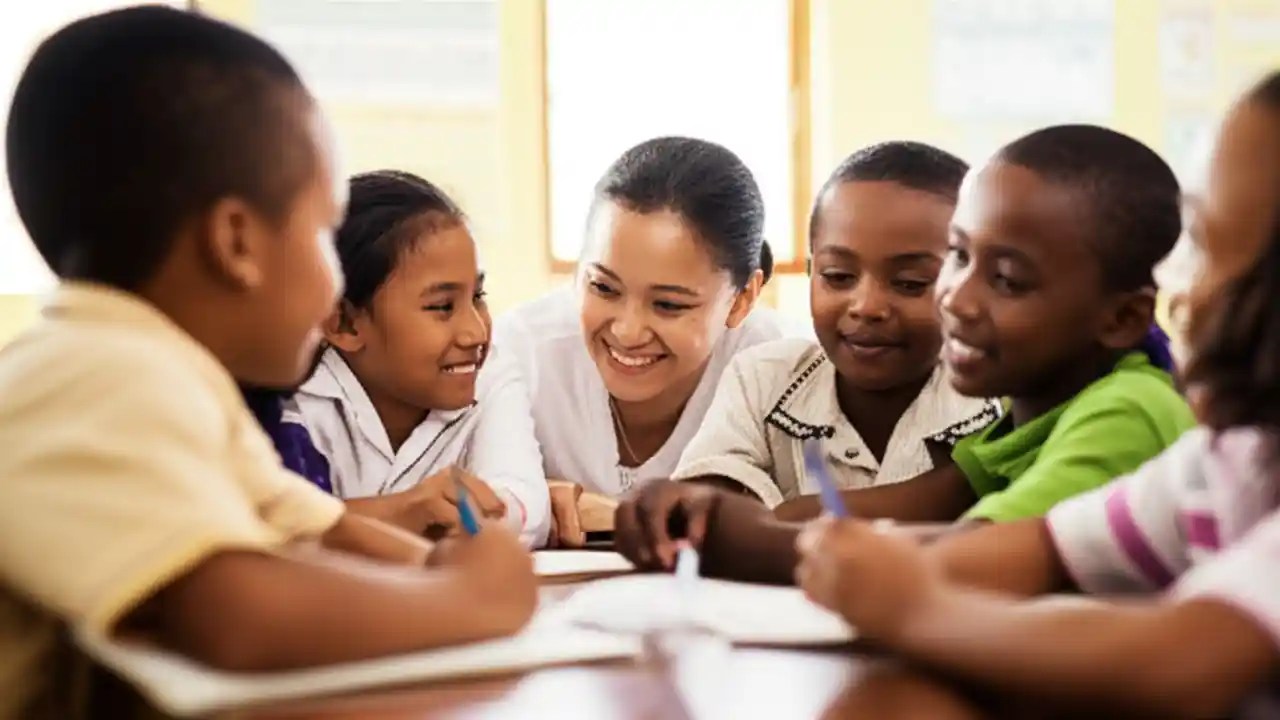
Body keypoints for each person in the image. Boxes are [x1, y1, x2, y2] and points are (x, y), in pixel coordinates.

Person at [0, 9, 534, 717]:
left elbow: (317, 532)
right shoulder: (95, 372)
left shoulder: (176, 380)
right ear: (237, 244)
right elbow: (233, 616)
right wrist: (469, 600)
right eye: (322, 232)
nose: (336, 284)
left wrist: (443, 567)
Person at [795, 72, 1280, 719]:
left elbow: (1183, 664)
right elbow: (1041, 549)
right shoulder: (1228, 465)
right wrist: (876, 571)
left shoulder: (1131, 407)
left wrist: (916, 607)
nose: (1183, 293)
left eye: (1206, 249)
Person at [617, 125, 1193, 576]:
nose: (957, 298)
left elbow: (971, 561)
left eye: (1007, 280)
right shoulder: (1030, 419)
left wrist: (754, 539)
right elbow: (923, 503)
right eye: (960, 259)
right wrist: (716, 513)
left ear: (1121, 318)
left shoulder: (1130, 411)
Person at [665, 142, 999, 515]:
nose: (866, 306)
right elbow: (709, 502)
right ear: (812, 273)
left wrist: (791, 517)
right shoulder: (763, 379)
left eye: (910, 283)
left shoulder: (999, 404)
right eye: (838, 276)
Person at [494, 136, 785, 546]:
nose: (627, 332)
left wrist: (615, 516)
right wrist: (527, 502)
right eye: (603, 287)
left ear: (742, 299)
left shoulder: (782, 372)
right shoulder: (521, 353)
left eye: (668, 305)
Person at [286, 170, 550, 546]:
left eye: (478, 296)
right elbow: (274, 528)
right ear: (344, 323)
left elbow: (526, 504)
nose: (476, 332)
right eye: (442, 306)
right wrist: (406, 512)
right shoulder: (294, 394)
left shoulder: (489, 372)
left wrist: (479, 518)